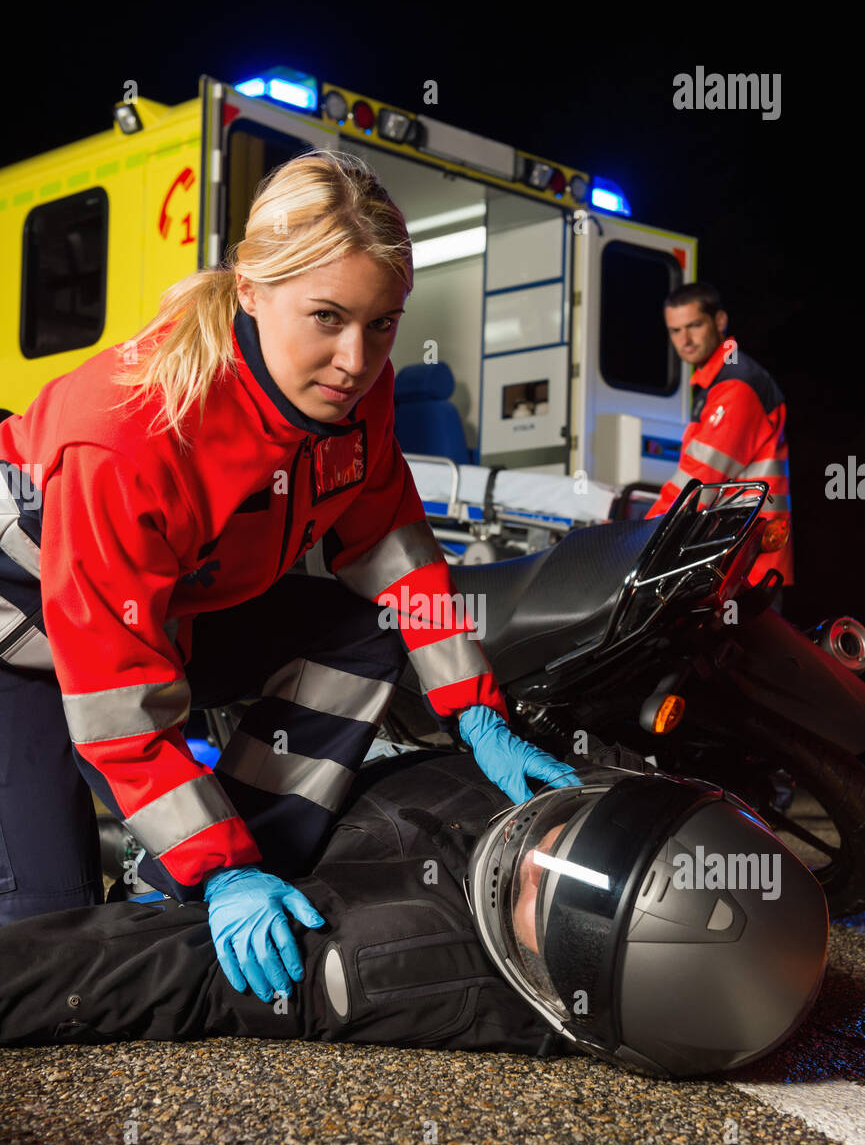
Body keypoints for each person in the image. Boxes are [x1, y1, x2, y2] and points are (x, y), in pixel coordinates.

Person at [0, 148, 582, 984]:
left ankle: (200, 879)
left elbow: (393, 548)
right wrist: (219, 868)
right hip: (24, 642)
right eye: (327, 318)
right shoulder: (126, 435)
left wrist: (476, 709)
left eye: (382, 322)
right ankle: (213, 868)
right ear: (251, 289)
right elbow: (116, 694)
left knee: (360, 632)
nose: (356, 358)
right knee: (48, 952)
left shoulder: (354, 392)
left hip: (157, 625)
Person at [0, 746, 828, 1079]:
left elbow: (130, 967)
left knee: (45, 893)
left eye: (545, 894)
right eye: (576, 827)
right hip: (224, 727)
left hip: (187, 825)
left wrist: (209, 867)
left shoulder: (393, 962)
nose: (530, 847)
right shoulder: (555, 788)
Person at [645, 282, 792, 602]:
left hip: (747, 562)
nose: (684, 340)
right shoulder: (720, 382)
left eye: (694, 326)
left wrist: (640, 537)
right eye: (675, 330)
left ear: (720, 321)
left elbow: (698, 483)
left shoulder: (737, 385)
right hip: (741, 556)